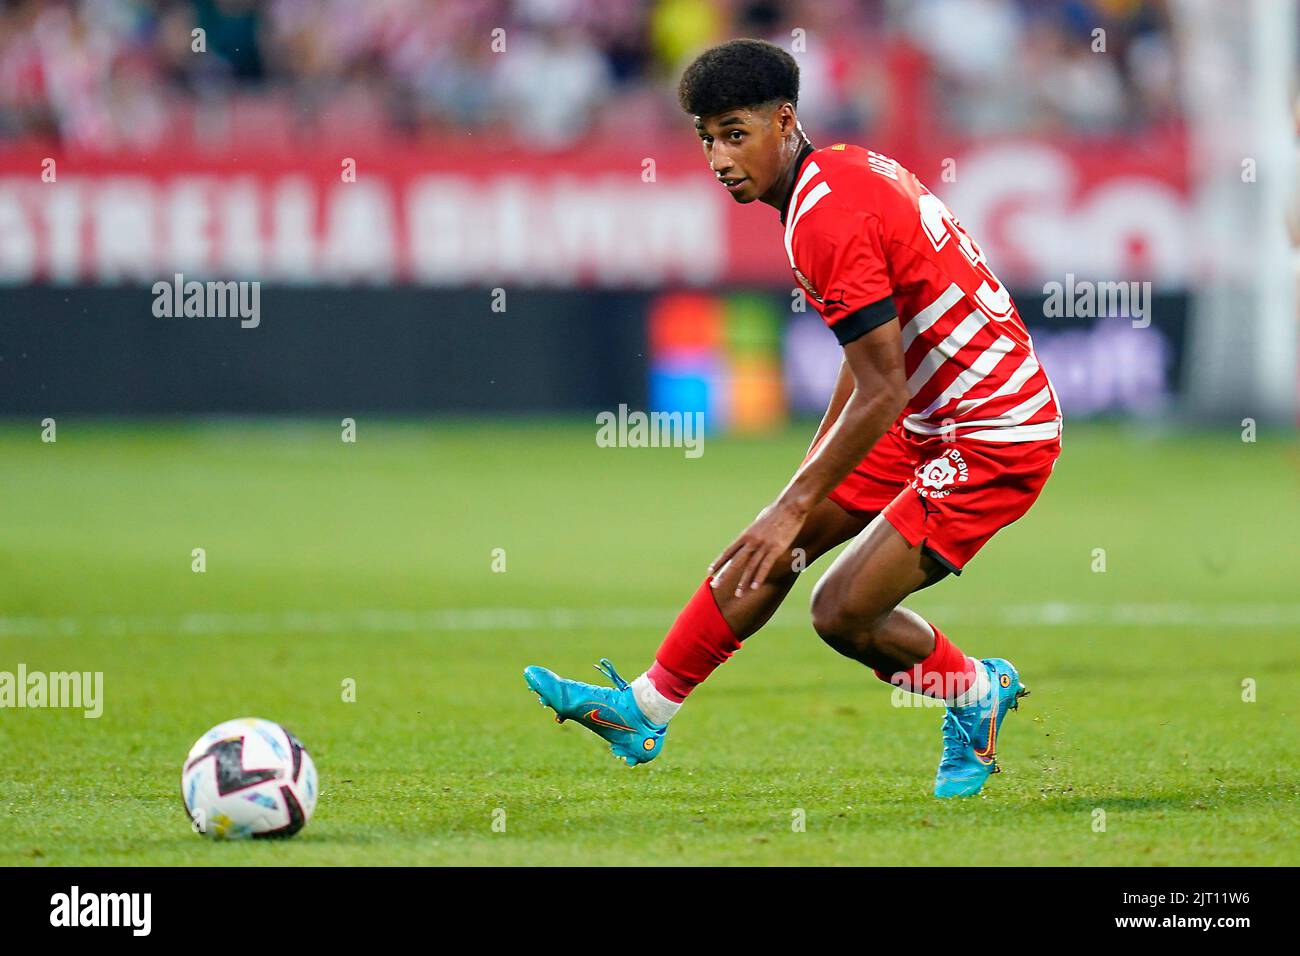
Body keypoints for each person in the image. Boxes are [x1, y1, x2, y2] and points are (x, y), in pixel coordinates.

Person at [525, 39, 1062, 798]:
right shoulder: (834, 176)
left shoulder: (822, 216)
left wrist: (796, 501)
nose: (718, 156)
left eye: (735, 133)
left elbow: (882, 384)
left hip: (993, 430)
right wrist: (797, 493)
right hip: (927, 411)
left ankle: (974, 693)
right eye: (706, 137)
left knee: (840, 611)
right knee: (773, 542)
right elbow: (870, 358)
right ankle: (643, 708)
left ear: (785, 120)